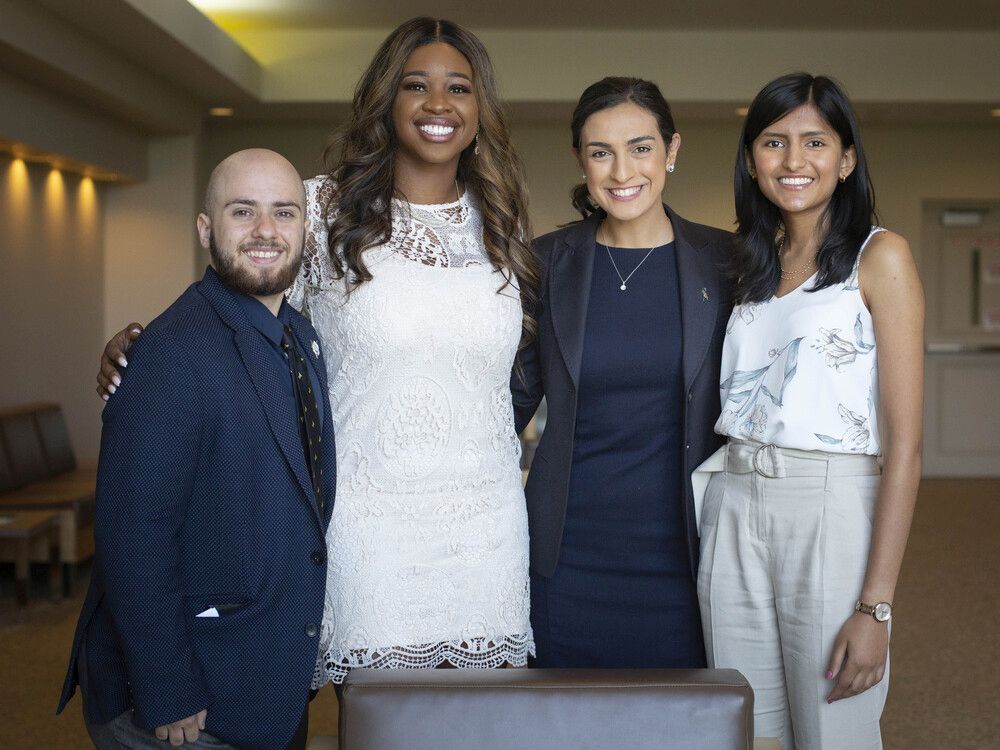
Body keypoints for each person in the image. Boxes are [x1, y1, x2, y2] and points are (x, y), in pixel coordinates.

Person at [96, 18, 538, 687]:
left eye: (459, 88)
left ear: (480, 107)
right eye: (415, 85)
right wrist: (148, 347)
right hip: (368, 524)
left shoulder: (502, 218)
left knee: (484, 723)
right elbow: (234, 310)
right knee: (378, 723)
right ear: (386, 101)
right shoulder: (323, 207)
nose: (438, 104)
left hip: (490, 530)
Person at [58, 149, 336, 750]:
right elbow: (133, 534)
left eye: (284, 213)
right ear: (206, 230)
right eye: (244, 212)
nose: (266, 231)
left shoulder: (299, 334)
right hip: (190, 704)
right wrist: (168, 686)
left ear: (304, 231)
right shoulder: (169, 353)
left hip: (262, 676)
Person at [697, 73, 923, 750]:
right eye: (773, 142)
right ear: (751, 158)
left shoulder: (880, 257)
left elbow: (906, 450)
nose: (794, 161)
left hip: (828, 503)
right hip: (734, 500)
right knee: (748, 728)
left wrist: (874, 607)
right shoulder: (747, 263)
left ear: (846, 159)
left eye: (815, 142)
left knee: (835, 728)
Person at [511, 77, 733, 668]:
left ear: (672, 151)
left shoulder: (729, 262)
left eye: (640, 148)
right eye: (600, 152)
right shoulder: (546, 263)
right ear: (581, 162)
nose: (621, 171)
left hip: (685, 549)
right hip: (568, 548)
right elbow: (505, 403)